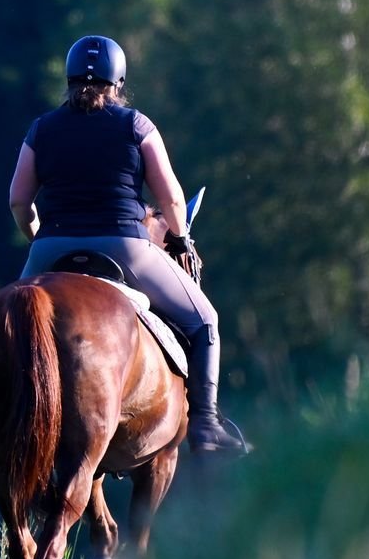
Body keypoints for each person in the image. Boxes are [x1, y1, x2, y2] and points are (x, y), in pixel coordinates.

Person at [12, 35, 249, 455]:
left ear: (67, 79)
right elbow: (172, 199)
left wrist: (37, 239)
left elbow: (18, 199)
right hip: (126, 247)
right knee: (205, 321)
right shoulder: (136, 125)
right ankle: (206, 425)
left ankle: (3, 431)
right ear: (118, 82)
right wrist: (180, 239)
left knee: (15, 330)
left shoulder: (40, 129)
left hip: (50, 249)